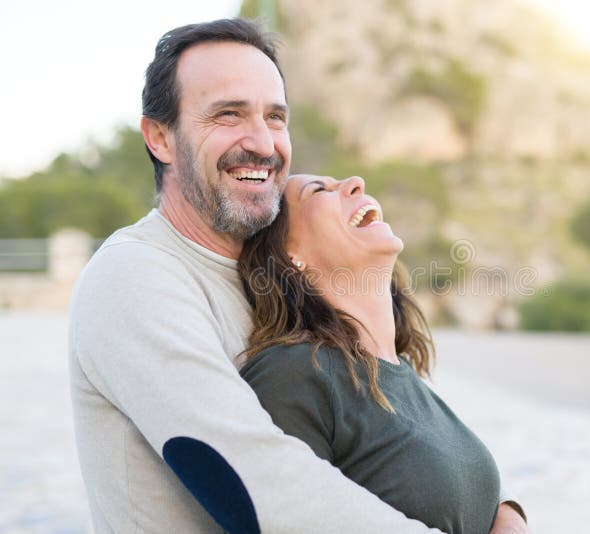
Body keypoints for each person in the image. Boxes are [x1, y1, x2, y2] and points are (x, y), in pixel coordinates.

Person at [68, 18, 527, 533]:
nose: (262, 142)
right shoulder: (136, 276)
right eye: (228, 114)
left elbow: (405, 431)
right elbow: (259, 483)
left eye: (275, 116)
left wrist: (500, 511)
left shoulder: (276, 276)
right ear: (160, 137)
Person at [238, 173, 503, 533]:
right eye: (318, 191)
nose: (356, 182)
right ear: (289, 255)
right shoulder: (293, 374)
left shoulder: (401, 368)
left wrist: (509, 515)